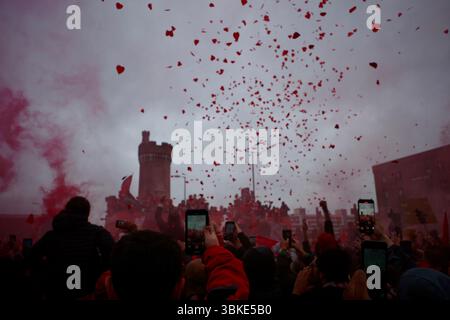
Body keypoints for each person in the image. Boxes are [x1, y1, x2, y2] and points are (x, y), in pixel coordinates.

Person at [31, 196, 114, 300]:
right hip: (87, 294)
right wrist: (97, 272)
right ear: (87, 213)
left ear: (67, 211)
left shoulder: (51, 236)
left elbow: (31, 257)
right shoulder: (98, 233)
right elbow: (113, 258)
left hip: (56, 294)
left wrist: (48, 271)